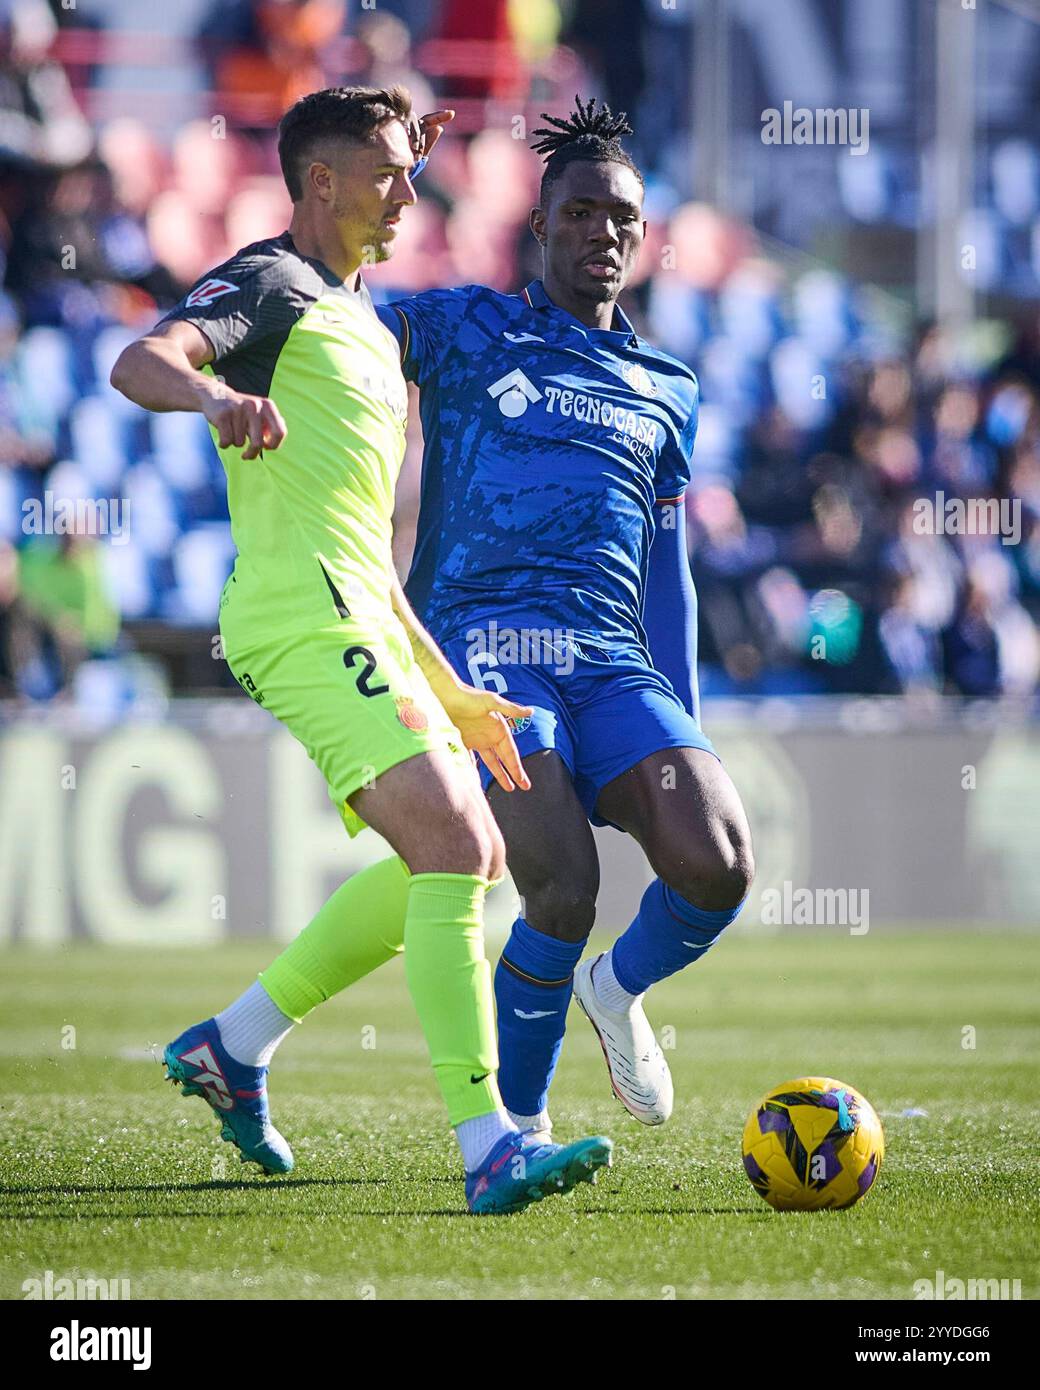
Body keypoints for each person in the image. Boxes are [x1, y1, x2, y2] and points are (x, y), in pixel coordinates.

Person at [110, 85, 612, 1214]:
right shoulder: (268, 286)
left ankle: (232, 1047)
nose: (409, 190)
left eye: (411, 170)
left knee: (468, 857)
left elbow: (373, 562)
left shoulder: (364, 326)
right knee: (452, 837)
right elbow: (138, 360)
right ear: (319, 182)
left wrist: (453, 693)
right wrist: (206, 397)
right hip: (292, 614)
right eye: (385, 173)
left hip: (355, 608)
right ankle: (490, 1143)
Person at [376, 98, 755, 1144]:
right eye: (581, 213)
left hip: (613, 664)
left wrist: (683, 718)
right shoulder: (461, 328)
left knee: (717, 858)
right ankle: (522, 1131)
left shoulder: (666, 386)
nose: (603, 234)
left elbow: (664, 567)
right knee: (559, 884)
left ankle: (616, 991)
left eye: (622, 219)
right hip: (490, 652)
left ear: (642, 236)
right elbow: (337, 331)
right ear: (538, 228)